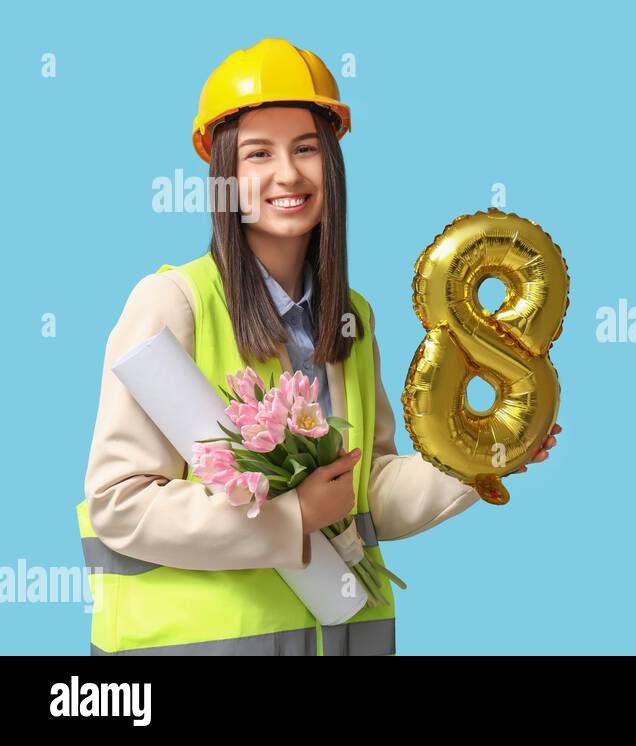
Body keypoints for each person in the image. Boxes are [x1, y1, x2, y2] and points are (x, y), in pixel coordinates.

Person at [77, 38, 558, 656]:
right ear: (225, 177)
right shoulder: (172, 304)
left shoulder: (350, 318)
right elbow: (120, 505)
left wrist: (484, 456)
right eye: (258, 154)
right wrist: (289, 517)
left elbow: (367, 492)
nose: (287, 174)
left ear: (332, 164)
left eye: (306, 148)